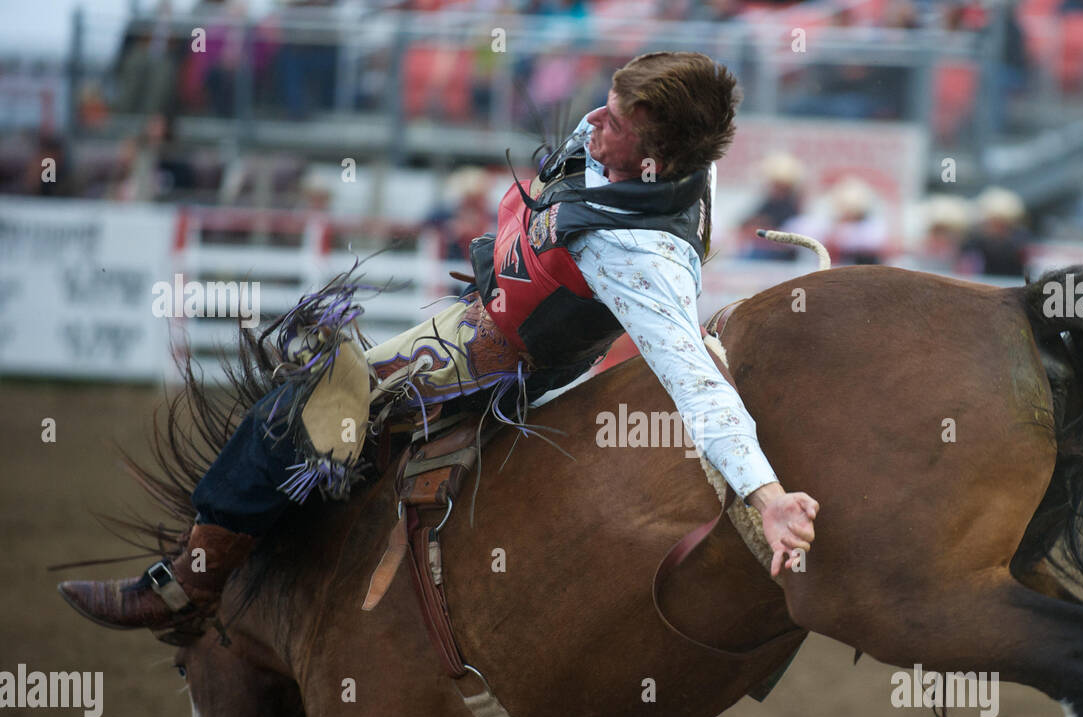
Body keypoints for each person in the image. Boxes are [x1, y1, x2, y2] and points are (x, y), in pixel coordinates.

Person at [60, 51, 819, 635]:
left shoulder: (637, 256)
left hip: (500, 360)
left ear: (655, 143)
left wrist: (767, 495)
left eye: (615, 119)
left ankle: (185, 585)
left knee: (301, 409)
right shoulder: (677, 160)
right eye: (606, 105)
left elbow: (696, 384)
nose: (593, 122)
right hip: (494, 315)